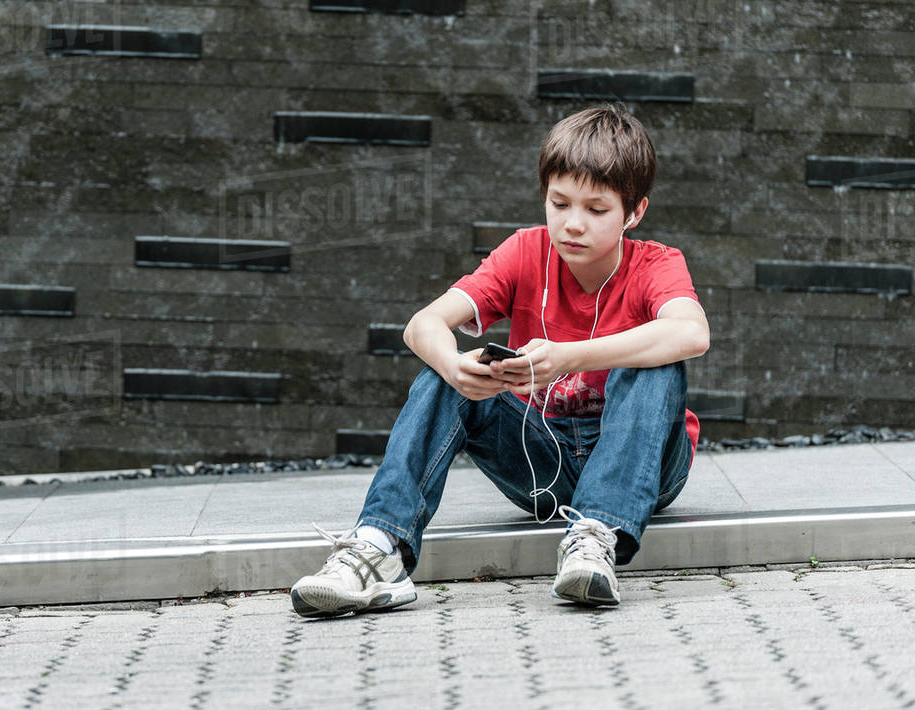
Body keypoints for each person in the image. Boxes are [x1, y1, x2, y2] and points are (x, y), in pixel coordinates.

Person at [290, 105, 710, 618]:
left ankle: (595, 539)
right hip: (543, 461)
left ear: (634, 212)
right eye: (559, 203)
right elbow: (421, 325)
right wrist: (455, 367)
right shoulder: (524, 252)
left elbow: (692, 332)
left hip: (645, 463)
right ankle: (379, 549)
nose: (573, 224)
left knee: (657, 356)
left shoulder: (657, 264)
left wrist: (568, 357)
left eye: (596, 210)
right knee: (444, 372)